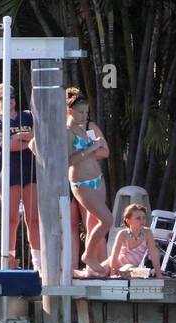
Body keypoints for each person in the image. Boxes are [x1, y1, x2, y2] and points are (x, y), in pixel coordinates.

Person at [0, 84, 40, 270]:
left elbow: (41, 138)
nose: (9, 100)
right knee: (11, 219)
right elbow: (6, 146)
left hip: (31, 171)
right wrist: (27, 140)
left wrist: (19, 137)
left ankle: (38, 263)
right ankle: (9, 261)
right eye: (3, 97)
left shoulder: (28, 116)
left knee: (33, 218)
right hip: (8, 173)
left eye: (11, 96)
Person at [66, 87, 113, 278]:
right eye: (81, 112)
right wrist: (90, 149)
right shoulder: (67, 131)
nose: (85, 116)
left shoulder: (89, 127)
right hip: (81, 183)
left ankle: (96, 265)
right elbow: (68, 160)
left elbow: (105, 152)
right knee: (107, 219)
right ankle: (88, 256)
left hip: (97, 180)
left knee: (95, 223)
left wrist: (90, 150)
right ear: (69, 111)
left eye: (86, 112)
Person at [103, 204, 162, 278]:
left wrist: (159, 274)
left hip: (132, 268)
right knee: (96, 272)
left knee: (131, 271)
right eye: (138, 218)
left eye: (144, 218)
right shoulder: (122, 234)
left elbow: (154, 255)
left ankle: (151, 273)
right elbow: (115, 255)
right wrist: (112, 274)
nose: (142, 221)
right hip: (115, 264)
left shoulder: (147, 232)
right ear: (128, 221)